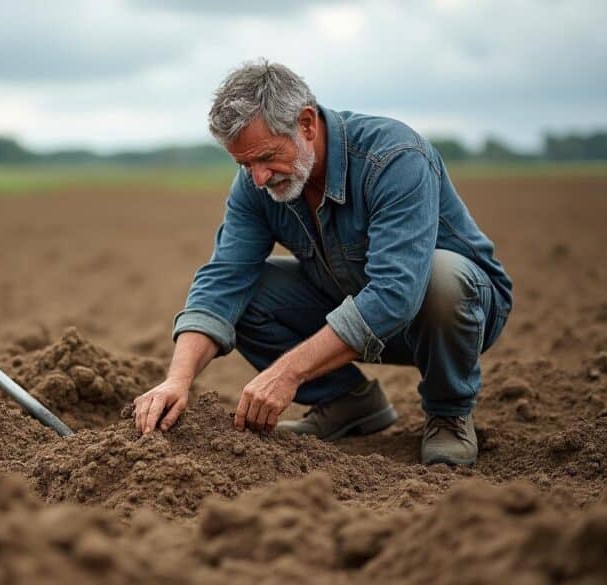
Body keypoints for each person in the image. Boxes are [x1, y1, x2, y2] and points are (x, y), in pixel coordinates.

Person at [132, 60, 512, 466]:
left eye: (265, 157)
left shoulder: (394, 158)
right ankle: (345, 403)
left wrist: (288, 372)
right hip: (351, 303)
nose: (258, 178)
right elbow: (224, 279)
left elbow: (396, 294)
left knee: (441, 279)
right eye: (245, 165)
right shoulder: (257, 184)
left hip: (452, 314)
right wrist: (179, 379)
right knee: (248, 293)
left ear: (307, 124)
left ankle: (448, 412)